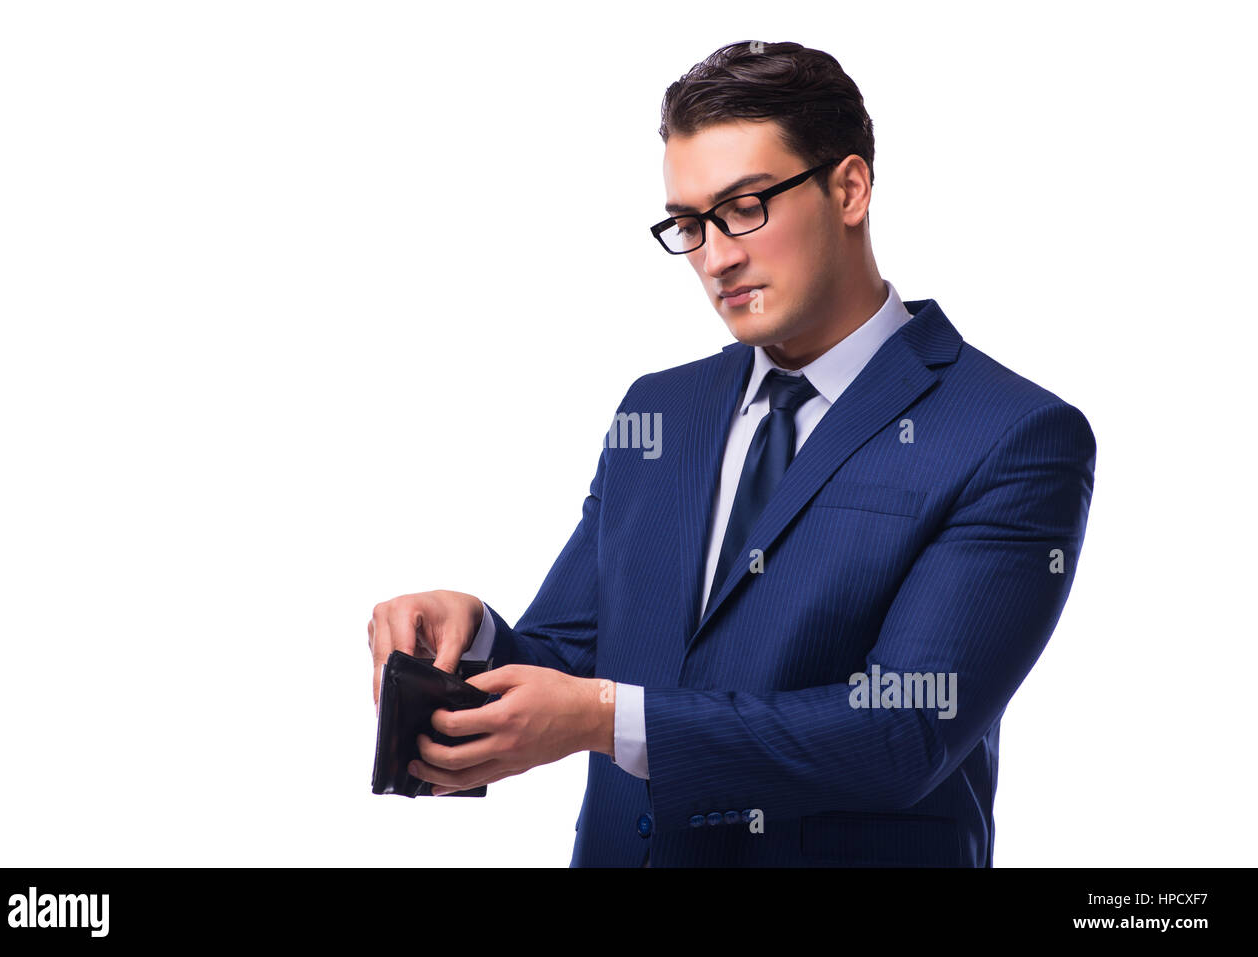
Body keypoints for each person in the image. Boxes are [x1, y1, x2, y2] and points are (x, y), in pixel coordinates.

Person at [367, 40, 1096, 867]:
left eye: (745, 207)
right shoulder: (659, 410)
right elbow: (573, 658)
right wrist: (475, 637)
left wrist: (603, 716)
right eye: (689, 225)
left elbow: (906, 732)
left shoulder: (1011, 433)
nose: (716, 258)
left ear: (849, 188)